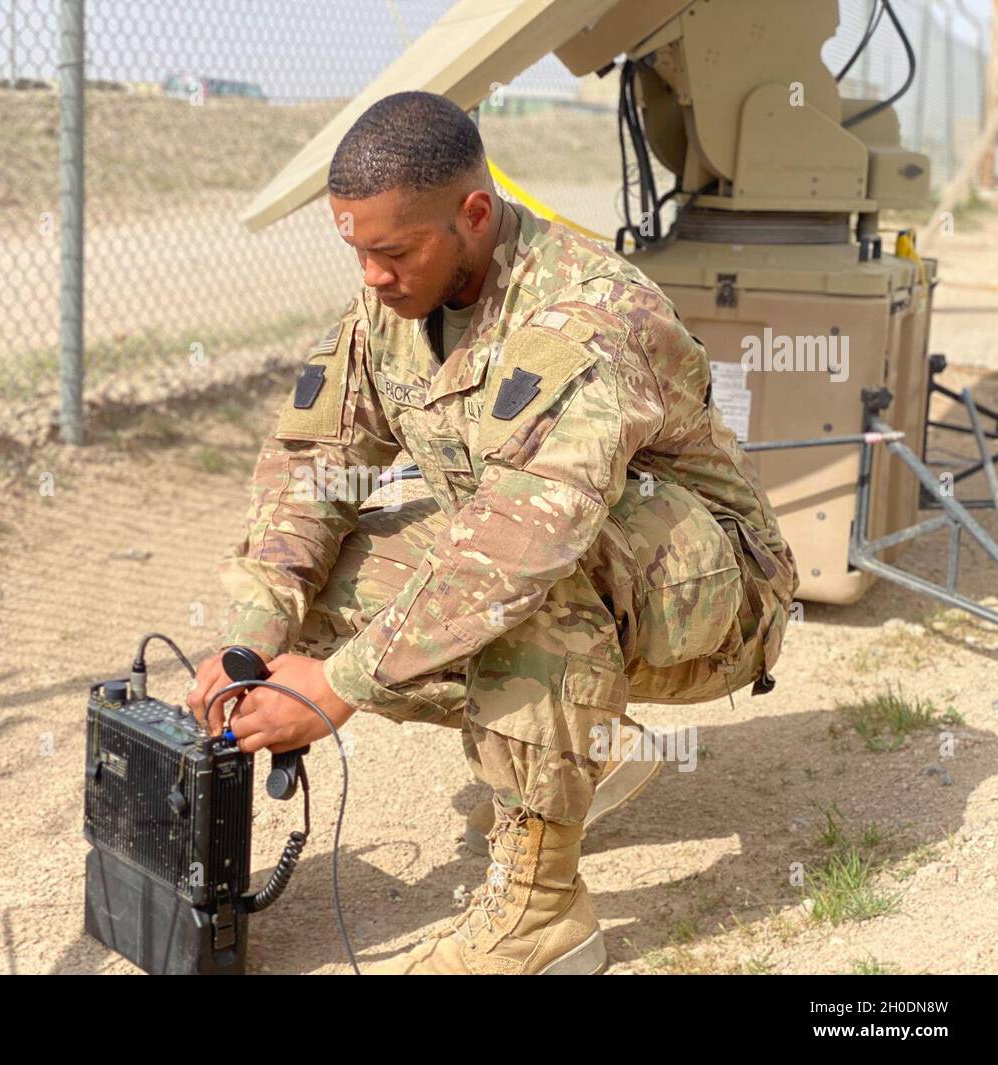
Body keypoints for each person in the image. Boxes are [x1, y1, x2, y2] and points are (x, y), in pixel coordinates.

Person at [186, 91, 798, 975]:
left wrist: (338, 685)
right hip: (590, 561)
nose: (370, 276)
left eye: (392, 251)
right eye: (355, 250)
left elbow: (522, 541)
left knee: (519, 569)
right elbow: (315, 467)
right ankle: (592, 741)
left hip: (716, 592)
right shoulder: (394, 308)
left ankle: (540, 917)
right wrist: (255, 634)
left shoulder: (583, 313)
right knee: (337, 580)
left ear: (474, 214)